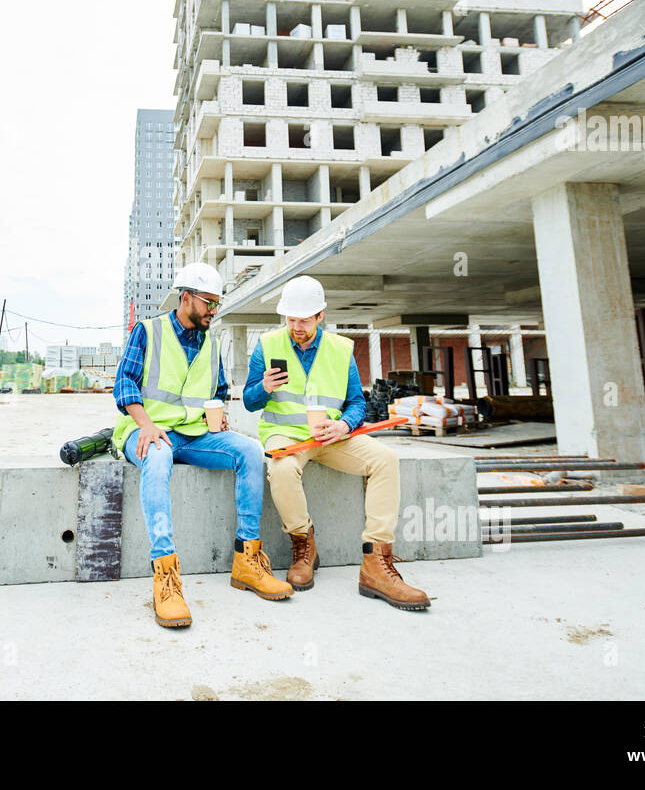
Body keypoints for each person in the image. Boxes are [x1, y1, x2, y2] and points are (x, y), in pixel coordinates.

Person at [113, 262, 293, 628]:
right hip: (145, 431)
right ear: (186, 298)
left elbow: (219, 392)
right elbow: (125, 384)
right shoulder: (148, 331)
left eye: (216, 303)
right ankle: (165, 575)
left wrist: (219, 416)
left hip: (194, 434)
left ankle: (247, 559)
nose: (214, 309)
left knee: (248, 450)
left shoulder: (211, 343)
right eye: (208, 302)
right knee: (159, 454)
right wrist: (146, 426)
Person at [242, 275, 430, 610]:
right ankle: (303, 545)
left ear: (320, 316)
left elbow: (357, 402)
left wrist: (343, 425)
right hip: (285, 438)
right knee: (282, 470)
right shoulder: (267, 345)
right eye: (291, 319)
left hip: (330, 437)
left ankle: (376, 563)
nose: (296, 327)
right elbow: (249, 401)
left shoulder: (341, 349)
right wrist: (264, 388)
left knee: (385, 459)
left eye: (304, 320)